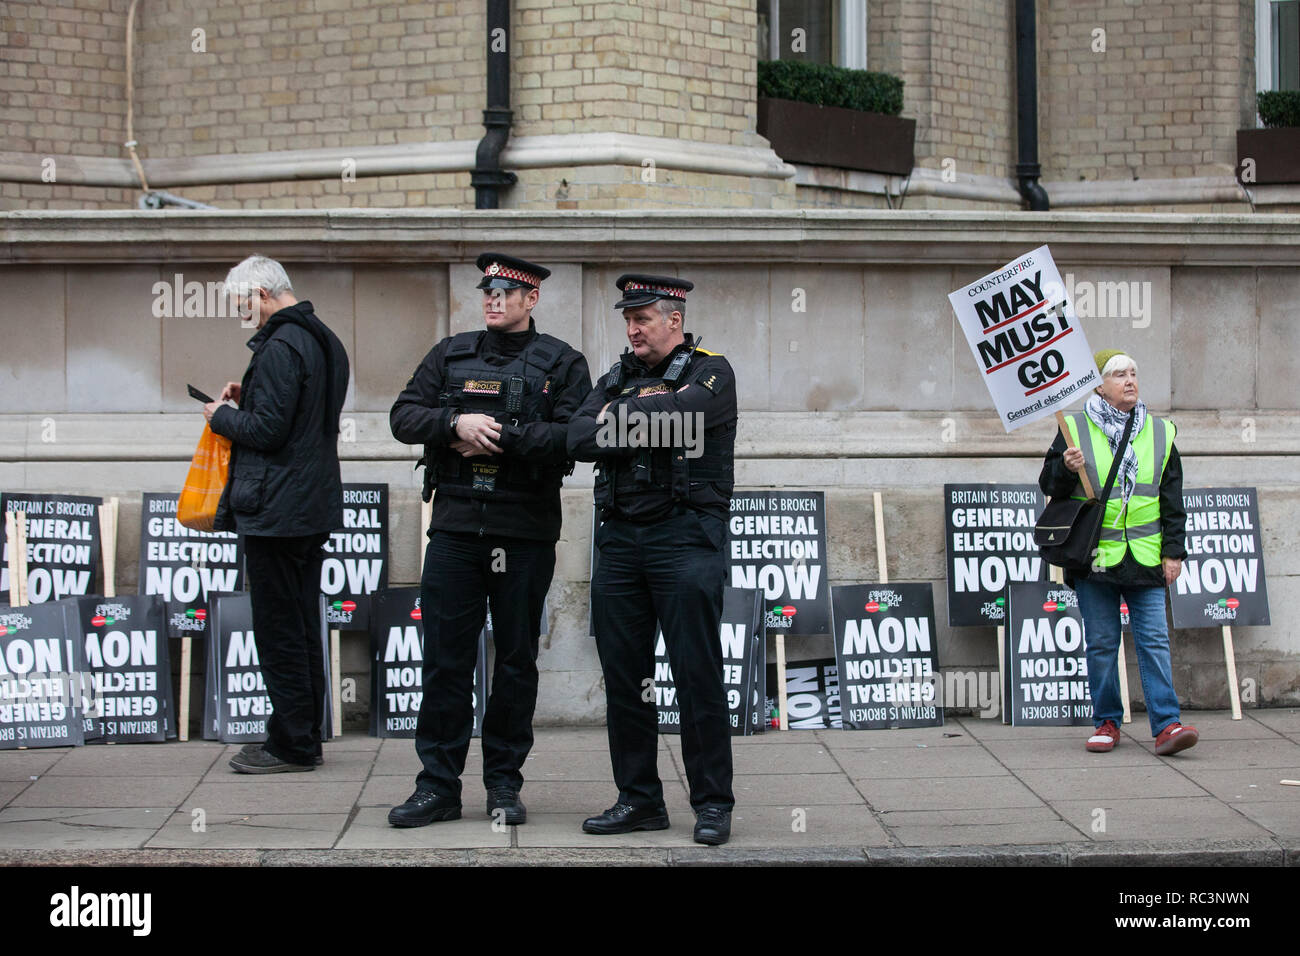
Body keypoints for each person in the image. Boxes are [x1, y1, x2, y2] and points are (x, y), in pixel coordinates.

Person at [387, 253, 591, 827]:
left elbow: (579, 435)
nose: (494, 299)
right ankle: (438, 787)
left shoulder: (562, 363)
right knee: (445, 662)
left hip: (522, 533)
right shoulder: (450, 354)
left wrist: (503, 435)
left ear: (532, 300)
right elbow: (403, 416)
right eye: (488, 291)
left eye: (507, 291)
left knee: (516, 662)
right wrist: (455, 425)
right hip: (454, 530)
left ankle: (503, 783)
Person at [567, 274, 737, 845]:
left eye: (642, 318)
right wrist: (633, 416)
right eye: (627, 319)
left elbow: (682, 417)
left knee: (696, 674)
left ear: (674, 320)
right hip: (620, 542)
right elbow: (578, 437)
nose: (632, 329)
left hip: (686, 536)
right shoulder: (616, 376)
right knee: (625, 678)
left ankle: (712, 803)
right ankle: (639, 799)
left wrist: (620, 419)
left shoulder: (712, 371)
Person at [205, 255, 350, 773]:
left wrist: (221, 416)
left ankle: (291, 743)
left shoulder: (281, 345)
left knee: (278, 627)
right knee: (301, 621)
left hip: (277, 508)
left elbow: (267, 432)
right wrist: (253, 395)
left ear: (263, 293)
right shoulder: (322, 338)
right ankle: (304, 733)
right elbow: (304, 411)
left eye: (242, 302)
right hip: (309, 502)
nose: (241, 313)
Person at [1039, 349, 1197, 756]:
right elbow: (1049, 486)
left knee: (1154, 641)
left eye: (1133, 373)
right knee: (1103, 643)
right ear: (1100, 385)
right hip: (1096, 558)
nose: (1130, 380)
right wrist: (1065, 467)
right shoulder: (1073, 427)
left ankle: (1167, 725)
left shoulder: (1161, 432)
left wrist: (1174, 551)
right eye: (1119, 375)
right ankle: (1106, 722)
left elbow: (1172, 498)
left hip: (1145, 556)